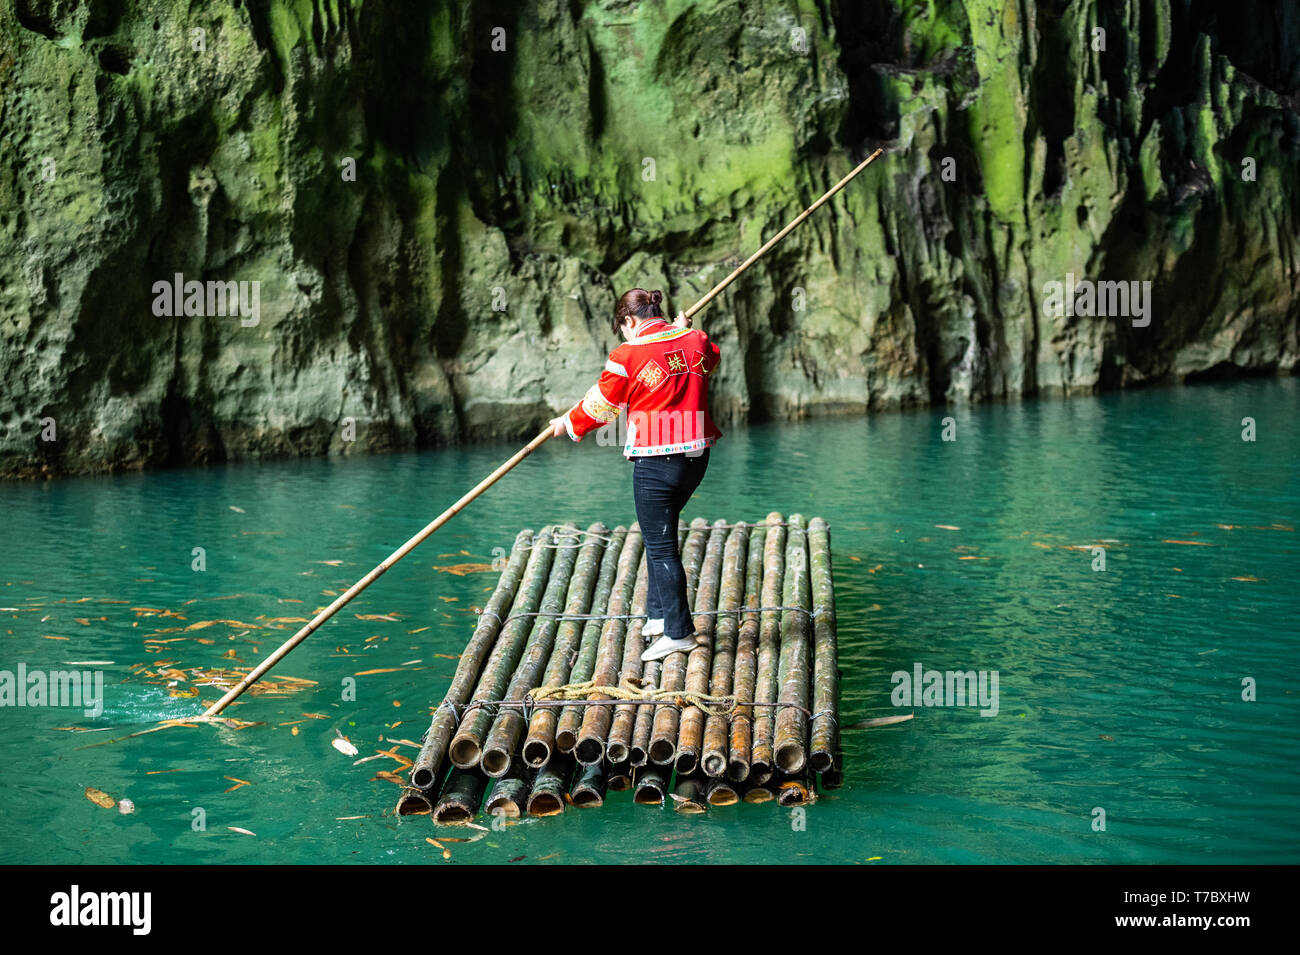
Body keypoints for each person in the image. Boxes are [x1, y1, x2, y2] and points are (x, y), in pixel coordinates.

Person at [549, 288, 722, 661]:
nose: (624, 335)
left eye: (622, 328)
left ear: (629, 321)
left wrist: (567, 423)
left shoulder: (627, 355)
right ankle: (659, 616)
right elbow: (709, 358)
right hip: (696, 455)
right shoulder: (696, 339)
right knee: (660, 533)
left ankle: (679, 633)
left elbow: (603, 406)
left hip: (657, 461)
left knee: (660, 547)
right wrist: (683, 330)